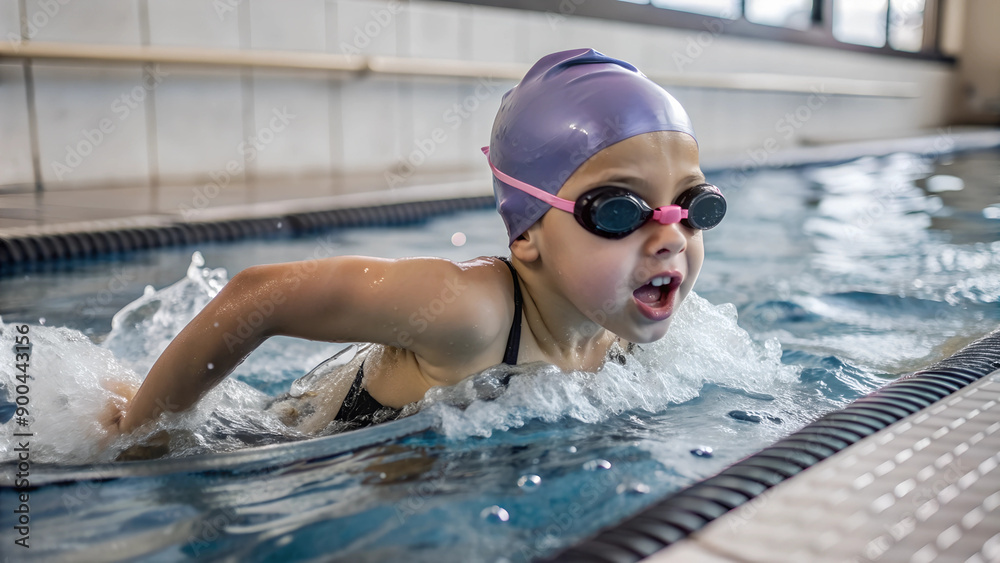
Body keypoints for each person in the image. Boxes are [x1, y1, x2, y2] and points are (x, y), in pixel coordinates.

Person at [114, 48, 726, 436]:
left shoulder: (624, 330)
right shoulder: (470, 310)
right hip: (274, 437)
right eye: (618, 210)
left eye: (695, 206)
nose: (670, 237)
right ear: (529, 232)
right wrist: (141, 436)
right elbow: (261, 294)